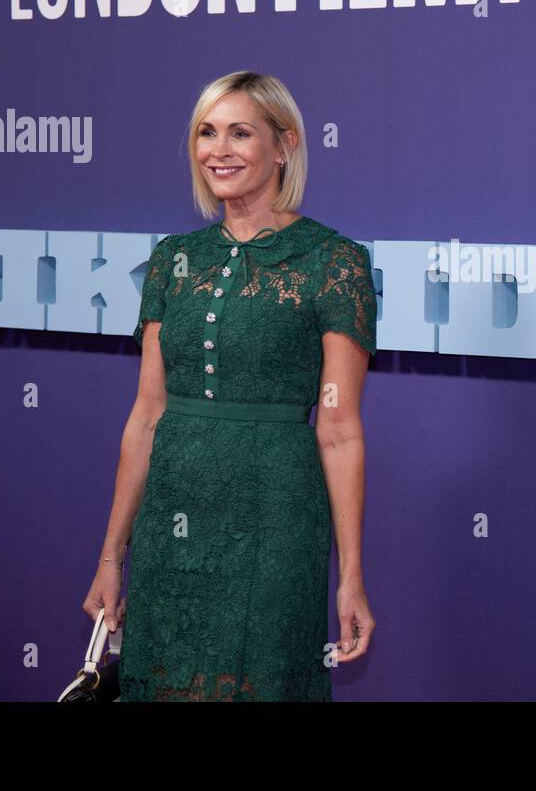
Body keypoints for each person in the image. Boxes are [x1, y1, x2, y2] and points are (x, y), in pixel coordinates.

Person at [81, 71, 378, 701]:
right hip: (173, 518)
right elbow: (147, 414)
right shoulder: (173, 259)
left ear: (284, 144)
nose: (219, 150)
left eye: (240, 133)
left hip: (276, 515)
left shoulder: (333, 261)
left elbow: (340, 428)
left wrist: (350, 578)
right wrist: (112, 555)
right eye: (206, 133)